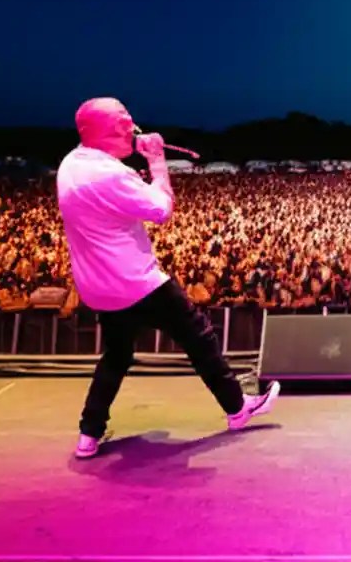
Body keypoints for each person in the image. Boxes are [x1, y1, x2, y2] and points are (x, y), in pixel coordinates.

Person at [56, 97, 279, 459]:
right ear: (109, 129)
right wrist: (157, 162)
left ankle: (89, 433)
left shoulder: (71, 164)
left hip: (98, 287)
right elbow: (160, 210)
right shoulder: (111, 174)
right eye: (124, 122)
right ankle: (238, 408)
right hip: (136, 281)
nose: (131, 127)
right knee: (199, 336)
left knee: (116, 356)